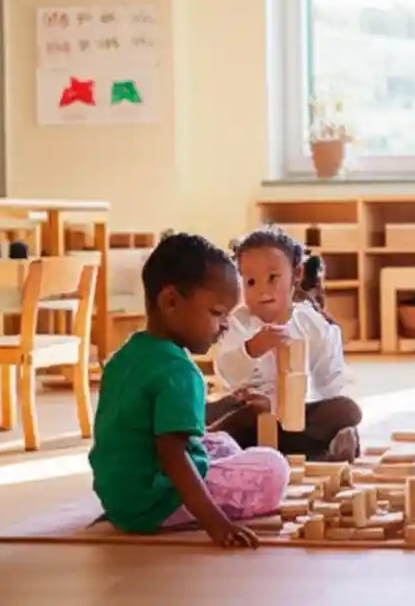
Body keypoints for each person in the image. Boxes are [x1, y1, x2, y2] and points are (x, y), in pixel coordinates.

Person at [89, 233, 288, 548]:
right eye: (216, 313)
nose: (223, 326)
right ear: (170, 301)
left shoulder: (128, 354)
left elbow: (160, 425)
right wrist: (217, 524)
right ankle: (193, 506)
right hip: (154, 504)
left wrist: (227, 405)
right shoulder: (179, 371)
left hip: (120, 497)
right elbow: (174, 455)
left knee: (219, 441)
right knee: (272, 467)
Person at [209, 226, 362, 461]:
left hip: (297, 419)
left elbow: (331, 377)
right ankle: (223, 444)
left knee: (347, 410)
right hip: (251, 418)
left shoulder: (311, 322)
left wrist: (338, 419)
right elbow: (226, 370)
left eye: (272, 278)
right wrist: (252, 349)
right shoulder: (238, 323)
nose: (262, 291)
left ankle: (323, 444)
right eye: (251, 282)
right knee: (220, 411)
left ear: (296, 274)